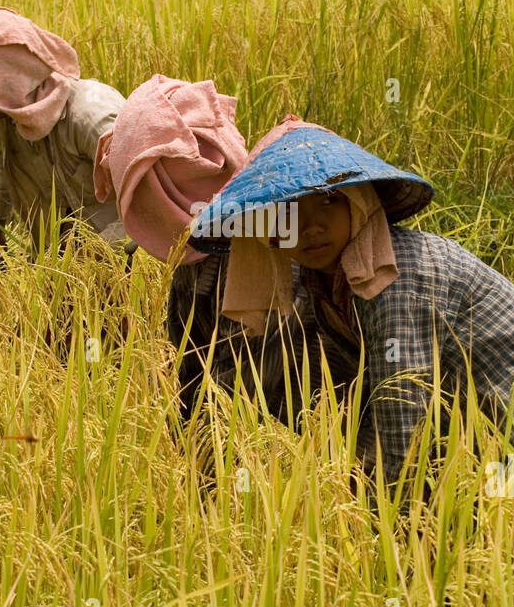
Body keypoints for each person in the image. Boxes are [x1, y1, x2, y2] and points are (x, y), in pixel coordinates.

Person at [189, 118, 514, 501]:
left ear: (359, 205)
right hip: (463, 448)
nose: (310, 226)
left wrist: (373, 506)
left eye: (327, 203)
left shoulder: (393, 275)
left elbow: (402, 405)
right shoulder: (319, 279)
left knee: (504, 562)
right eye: (290, 212)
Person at [93, 76, 359, 426]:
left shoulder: (268, 255)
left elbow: (251, 397)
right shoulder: (194, 261)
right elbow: (189, 367)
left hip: (296, 436)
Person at [0, 6, 126, 259]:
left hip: (120, 259)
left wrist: (102, 252)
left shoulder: (90, 117)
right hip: (51, 260)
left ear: (11, 77)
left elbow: (145, 195)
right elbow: (3, 164)